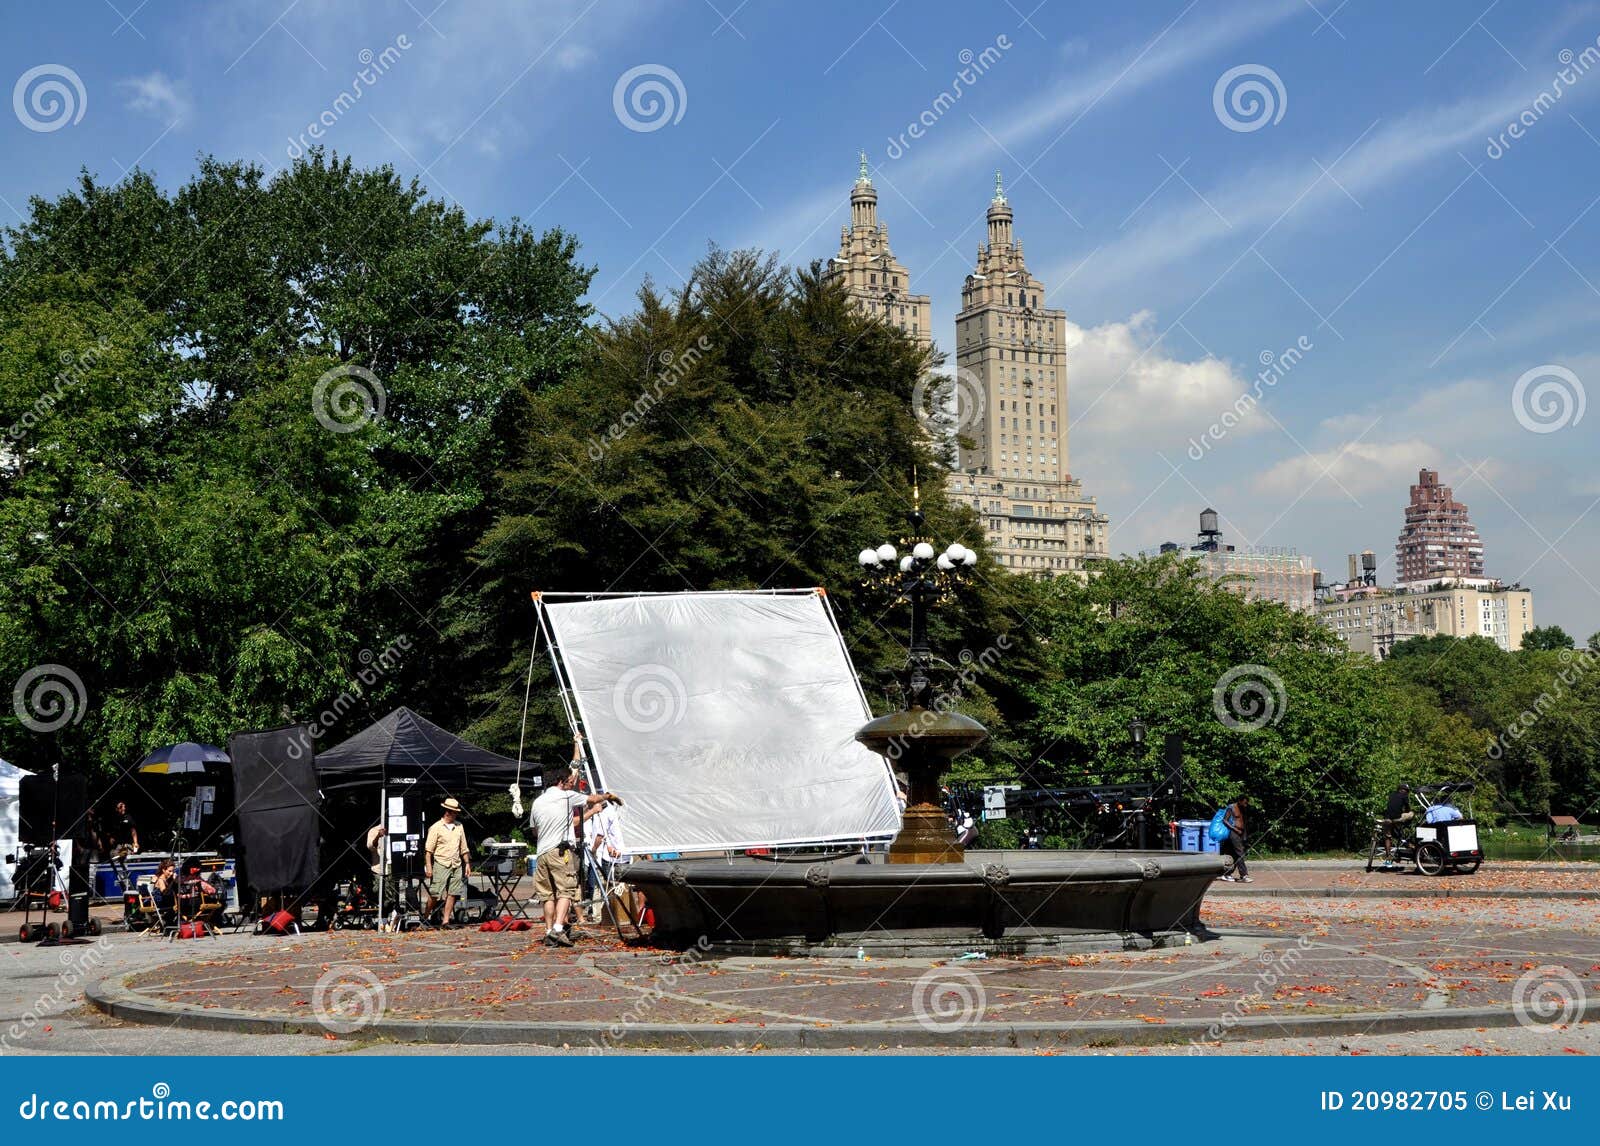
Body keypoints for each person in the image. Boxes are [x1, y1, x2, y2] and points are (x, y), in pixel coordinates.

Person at [531, 737, 620, 947]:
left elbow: (535, 831)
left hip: (541, 853)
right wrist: (608, 796)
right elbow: (592, 799)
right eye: (569, 783)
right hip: (559, 852)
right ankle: (558, 929)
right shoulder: (565, 796)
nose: (572, 784)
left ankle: (548, 931)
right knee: (566, 892)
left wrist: (577, 745)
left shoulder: (538, 801)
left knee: (548, 895)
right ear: (561, 783)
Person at [422, 797, 472, 928]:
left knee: (453, 893)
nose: (456, 814)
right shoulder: (436, 828)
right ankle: (425, 917)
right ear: (447, 812)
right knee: (435, 893)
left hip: (456, 864)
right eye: (454, 812)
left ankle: (446, 920)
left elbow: (464, 847)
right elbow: (428, 851)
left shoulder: (459, 826)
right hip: (441, 863)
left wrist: (467, 863)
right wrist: (429, 867)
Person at [1218, 794, 1252, 883]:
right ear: (1240, 801)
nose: (1245, 805)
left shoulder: (1243, 809)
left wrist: (1244, 836)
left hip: (1240, 833)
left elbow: (1243, 822)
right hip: (1233, 832)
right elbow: (1225, 820)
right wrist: (1235, 829)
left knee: (1235, 854)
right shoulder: (1231, 807)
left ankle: (1227, 874)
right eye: (1244, 803)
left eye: (1246, 803)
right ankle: (1244, 875)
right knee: (1240, 853)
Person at [1379, 783, 1413, 869]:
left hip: (1387, 818)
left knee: (1387, 837)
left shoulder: (1392, 795)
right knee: (1411, 813)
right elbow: (1407, 808)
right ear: (1405, 790)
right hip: (1397, 818)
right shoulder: (1405, 796)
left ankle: (1388, 860)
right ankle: (1407, 827)